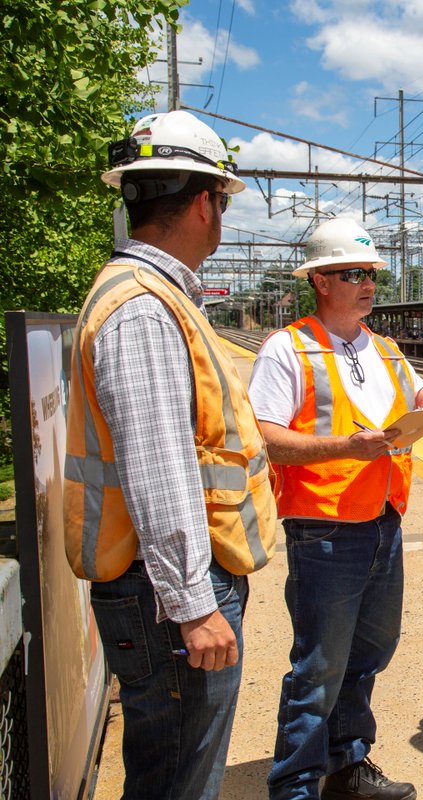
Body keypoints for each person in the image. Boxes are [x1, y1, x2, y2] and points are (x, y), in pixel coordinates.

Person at [64, 110, 276, 799]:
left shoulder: (147, 296)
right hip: (167, 597)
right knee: (179, 782)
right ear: (202, 203)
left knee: (171, 771)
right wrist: (193, 606)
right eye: (222, 200)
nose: (221, 216)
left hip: (157, 586)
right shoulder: (145, 309)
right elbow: (159, 467)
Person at [248, 217, 423, 800]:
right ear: (321, 282)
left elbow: (416, 414)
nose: (368, 283)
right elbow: (265, 437)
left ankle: (348, 768)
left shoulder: (383, 350)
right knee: (319, 668)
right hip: (324, 530)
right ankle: (296, 786)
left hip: (384, 522)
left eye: (372, 273)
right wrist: (346, 447)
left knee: (369, 654)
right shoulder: (289, 348)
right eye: (354, 273)